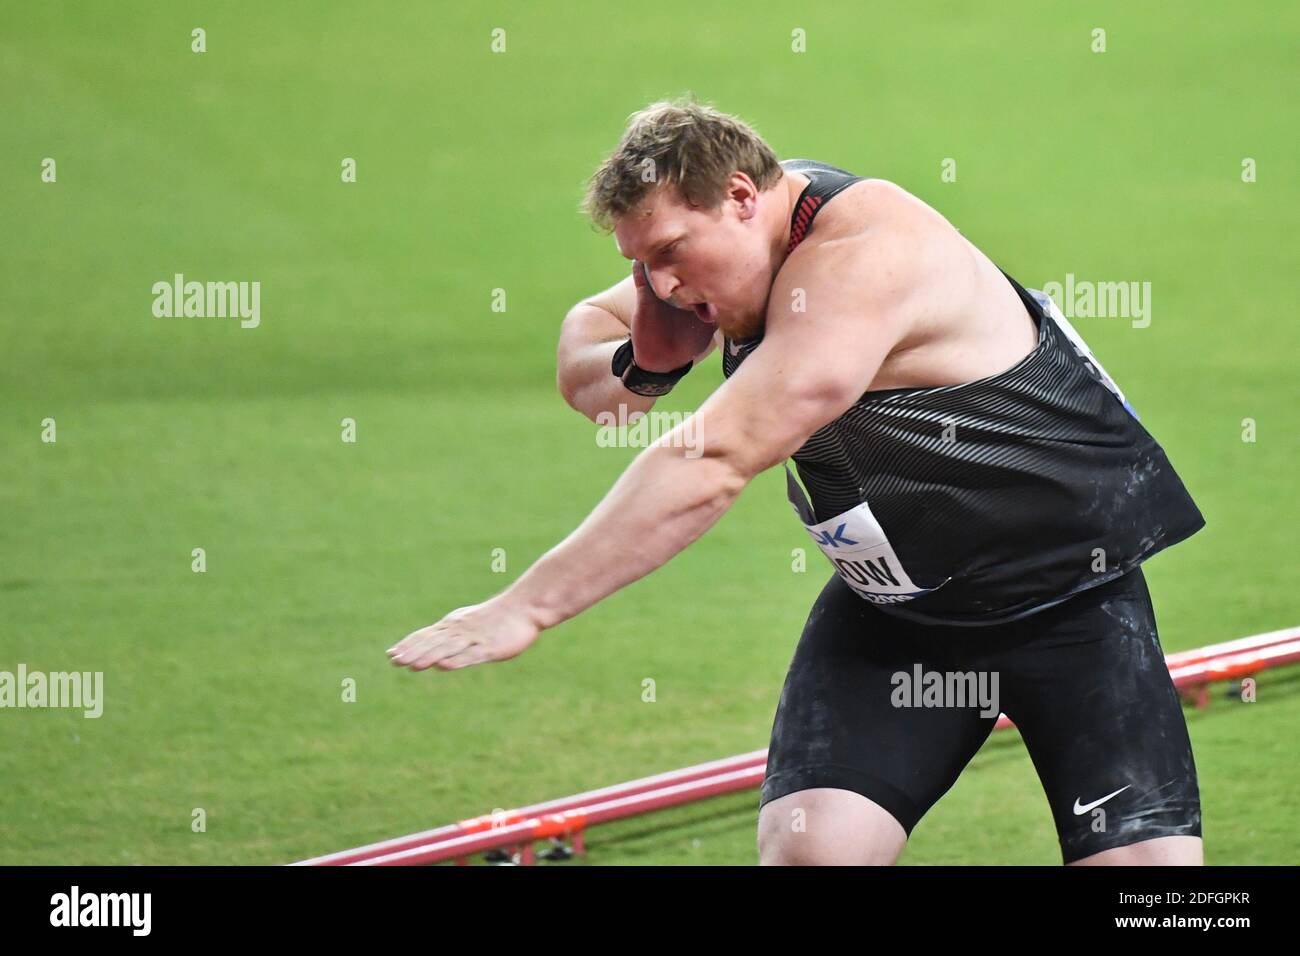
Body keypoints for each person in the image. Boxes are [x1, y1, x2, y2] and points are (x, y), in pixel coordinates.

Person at [388, 99, 1207, 865]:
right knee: (813, 852)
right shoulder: (738, 249)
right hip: (896, 619)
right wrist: (643, 360)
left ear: (741, 195)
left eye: (670, 255)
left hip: (1071, 610)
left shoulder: (866, 257)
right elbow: (589, 360)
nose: (662, 287)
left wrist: (525, 605)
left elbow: (712, 461)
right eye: (640, 264)